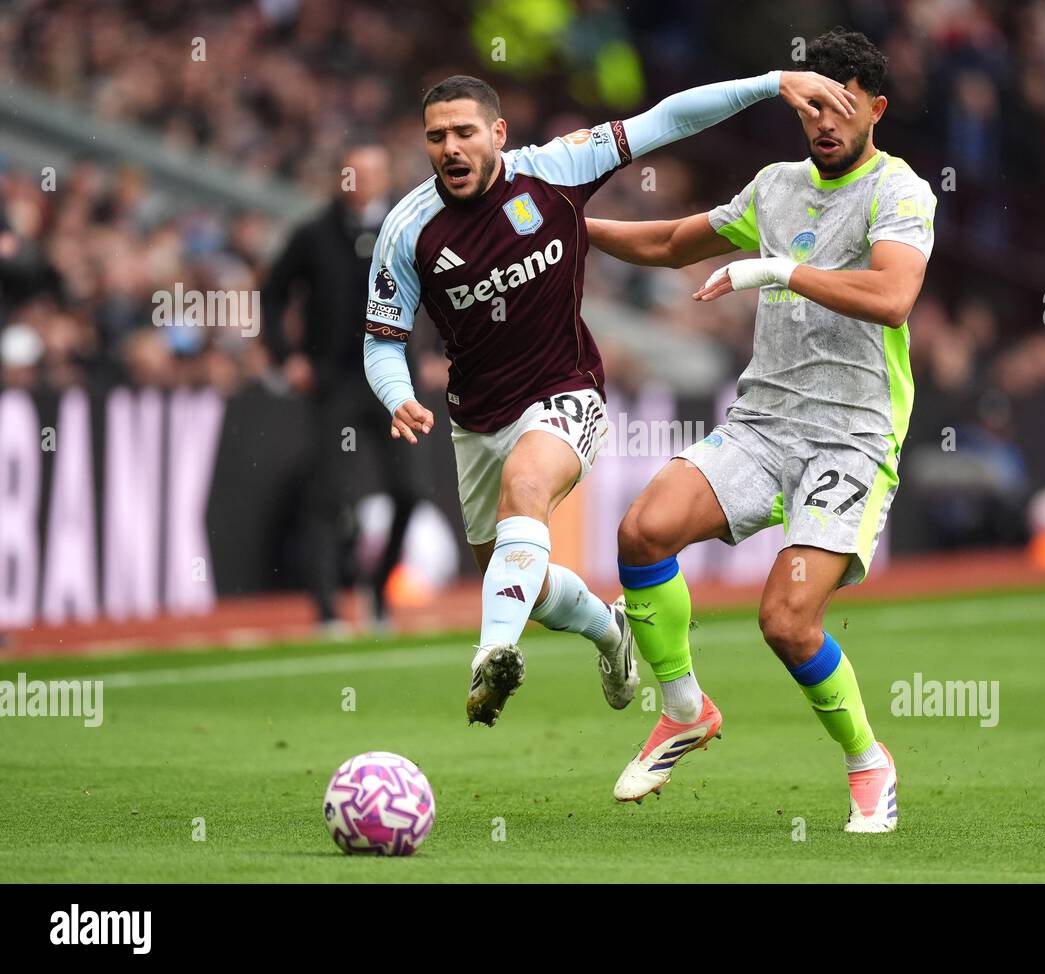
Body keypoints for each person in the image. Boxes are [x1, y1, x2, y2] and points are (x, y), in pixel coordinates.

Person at [363, 69, 855, 726]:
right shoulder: (407, 230)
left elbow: (667, 118)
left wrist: (770, 82)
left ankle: (493, 655)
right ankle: (607, 631)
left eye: (463, 132)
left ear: (497, 133)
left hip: (566, 392)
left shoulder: (558, 168)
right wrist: (397, 394)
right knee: (524, 583)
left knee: (527, 490)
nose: (450, 148)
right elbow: (380, 342)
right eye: (436, 137)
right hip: (476, 420)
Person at [586, 28, 937, 832]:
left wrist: (780, 270)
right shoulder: (776, 186)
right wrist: (574, 231)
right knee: (642, 531)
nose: (822, 121)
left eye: (840, 108)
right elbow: (675, 243)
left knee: (784, 620)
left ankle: (867, 761)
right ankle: (683, 710)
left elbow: (893, 298)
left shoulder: (901, 193)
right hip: (762, 422)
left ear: (875, 111)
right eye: (810, 104)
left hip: (850, 436)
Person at [263, 145, 434, 633]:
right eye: (354, 172)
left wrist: (442, 349)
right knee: (326, 496)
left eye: (373, 172)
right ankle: (326, 612)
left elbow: (445, 285)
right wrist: (286, 355)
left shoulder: (408, 227)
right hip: (336, 379)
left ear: (386, 177)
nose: (363, 181)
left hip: (398, 379)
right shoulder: (315, 234)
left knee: (412, 489)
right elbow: (273, 292)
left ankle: (377, 589)